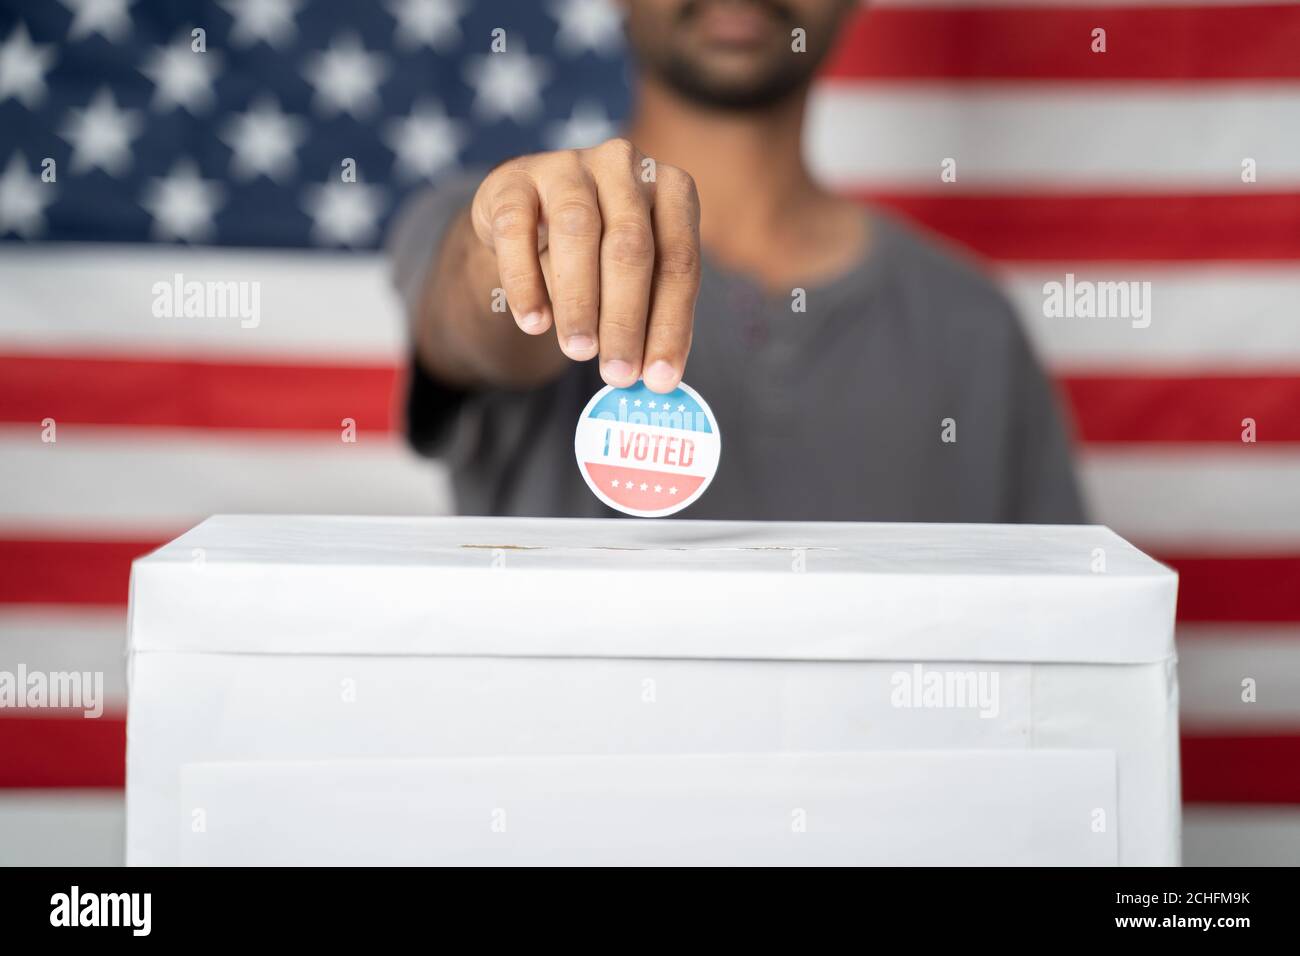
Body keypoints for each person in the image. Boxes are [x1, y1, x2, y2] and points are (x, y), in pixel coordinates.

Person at [387, 0, 1085, 522]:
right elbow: (475, 316)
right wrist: (519, 250)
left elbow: (1059, 652)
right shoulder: (485, 218)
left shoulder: (974, 324)